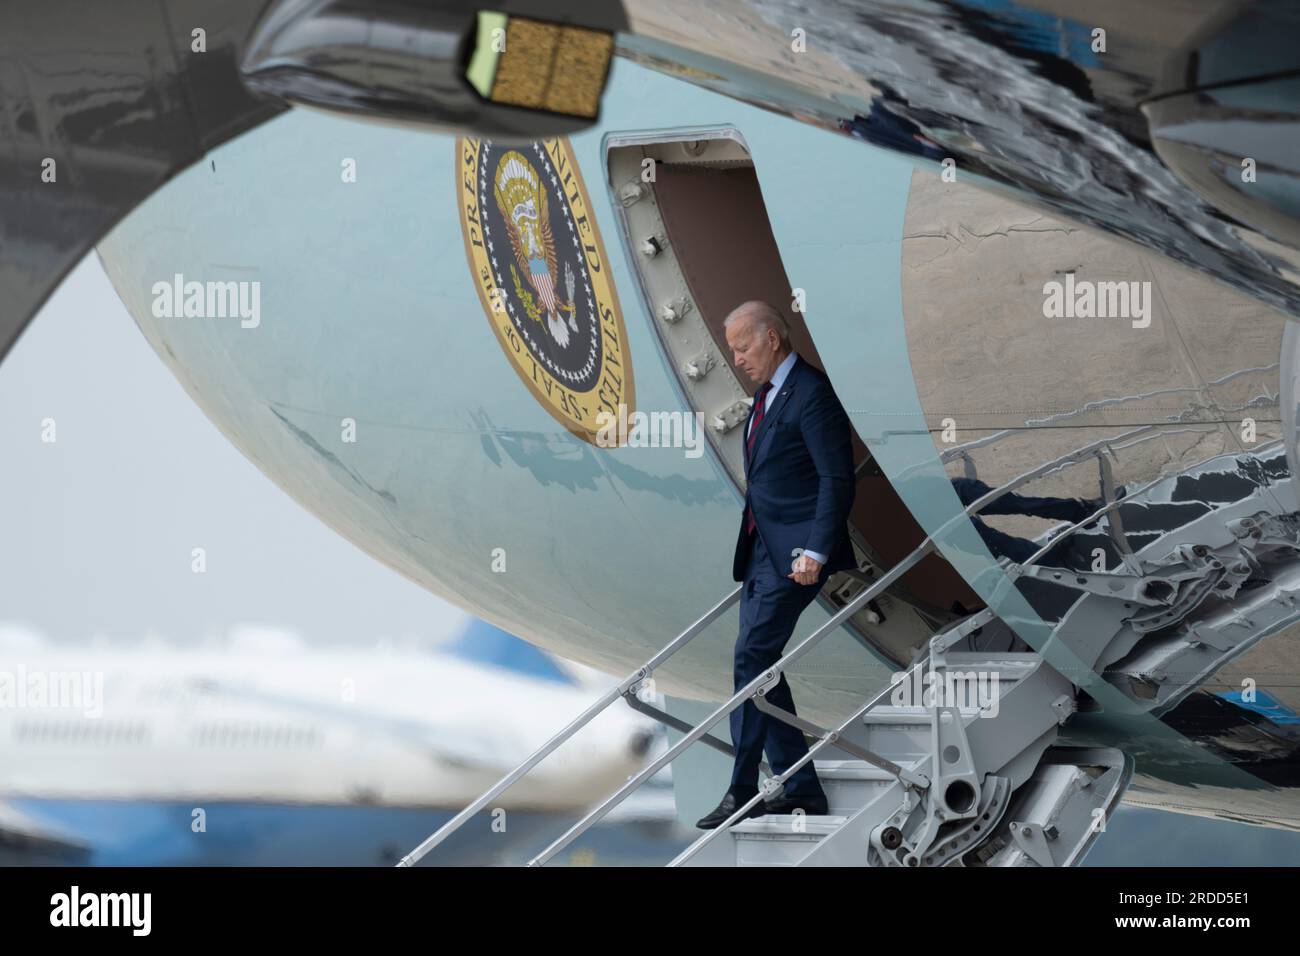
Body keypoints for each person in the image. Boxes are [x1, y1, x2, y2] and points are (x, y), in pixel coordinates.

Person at [696, 301, 857, 829]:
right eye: (733, 350)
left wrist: (815, 550)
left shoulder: (811, 394)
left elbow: (836, 478)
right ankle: (801, 786)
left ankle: (742, 789)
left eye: (743, 347)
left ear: (773, 338)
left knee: (751, 657)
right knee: (760, 664)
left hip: (796, 555)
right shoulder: (766, 396)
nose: (737, 359)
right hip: (762, 550)